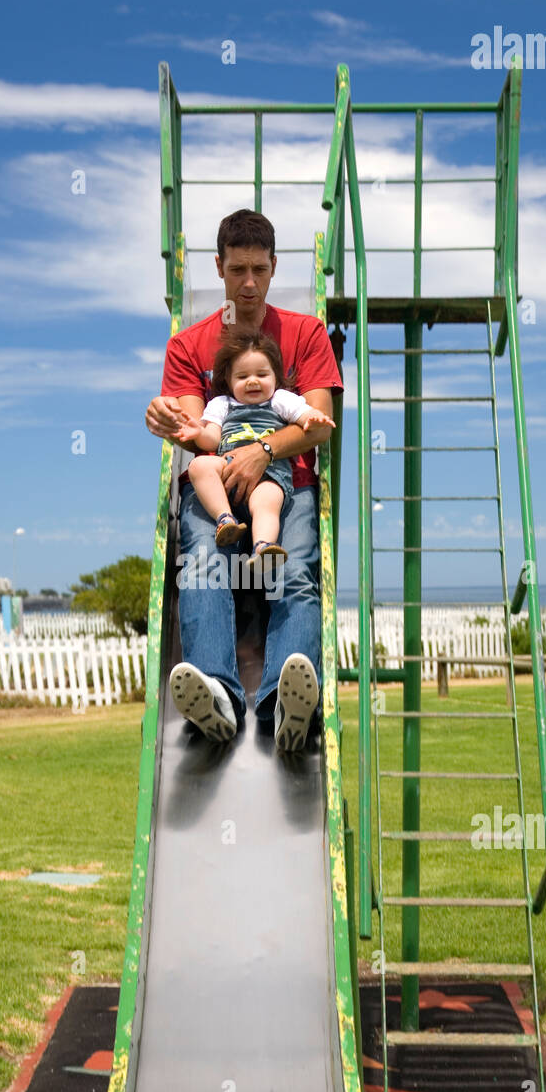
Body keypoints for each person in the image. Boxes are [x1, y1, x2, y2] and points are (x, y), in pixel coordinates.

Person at [144, 209, 343, 752]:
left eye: (259, 268)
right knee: (203, 569)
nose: (249, 282)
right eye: (237, 270)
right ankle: (220, 698)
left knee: (295, 569)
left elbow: (318, 423)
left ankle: (284, 699)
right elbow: (198, 434)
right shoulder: (188, 345)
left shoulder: (306, 333)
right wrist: (170, 425)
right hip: (215, 486)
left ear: (274, 267)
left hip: (285, 480)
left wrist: (261, 451)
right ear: (219, 268)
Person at [172, 328, 335, 564]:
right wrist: (198, 431)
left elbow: (303, 414)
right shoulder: (221, 404)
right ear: (228, 381)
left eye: (262, 374)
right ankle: (225, 518)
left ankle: (263, 547)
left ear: (275, 377)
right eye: (242, 376)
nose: (252, 381)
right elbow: (213, 440)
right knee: (199, 466)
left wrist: (313, 418)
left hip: (271, 474)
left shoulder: (280, 399)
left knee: (266, 504)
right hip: (229, 468)